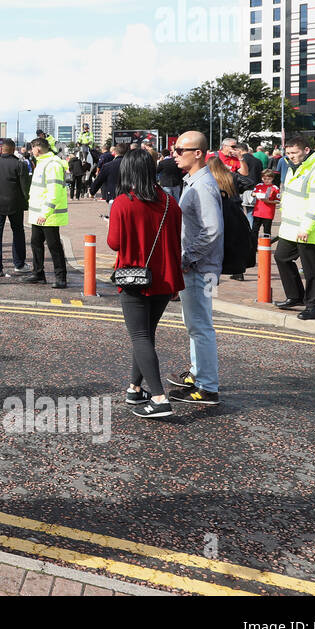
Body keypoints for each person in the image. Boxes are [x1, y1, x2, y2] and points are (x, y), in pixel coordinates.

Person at [108, 149, 183, 418]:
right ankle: (134, 388)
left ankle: (160, 398)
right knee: (146, 335)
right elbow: (176, 241)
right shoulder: (170, 202)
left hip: (134, 277)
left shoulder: (122, 203)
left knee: (140, 336)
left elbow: (114, 243)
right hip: (164, 277)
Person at [166, 131, 223, 405]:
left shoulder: (203, 186)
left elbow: (212, 230)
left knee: (201, 327)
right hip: (197, 266)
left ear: (198, 153)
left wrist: (186, 259)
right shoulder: (194, 181)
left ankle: (208, 387)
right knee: (195, 325)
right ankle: (198, 375)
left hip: (200, 268)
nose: (175, 154)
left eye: (180, 150)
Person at [273, 137, 315, 321]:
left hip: (309, 229)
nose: (291, 156)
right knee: (281, 258)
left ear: (306, 150)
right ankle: (295, 296)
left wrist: (307, 227)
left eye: (294, 153)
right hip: (292, 228)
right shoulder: (297, 167)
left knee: (312, 270)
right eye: (288, 153)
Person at [0, 139, 30, 277]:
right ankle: (19, 264)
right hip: (16, 202)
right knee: (18, 232)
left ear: (1, 149)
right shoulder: (19, 164)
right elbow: (24, 186)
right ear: (13, 149)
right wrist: (26, 200)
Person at [26, 138, 68, 288]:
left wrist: (46, 212)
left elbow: (54, 192)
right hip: (40, 213)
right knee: (36, 243)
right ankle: (38, 273)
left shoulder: (52, 164)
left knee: (54, 245)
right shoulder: (43, 163)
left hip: (48, 214)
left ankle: (61, 277)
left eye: (32, 149)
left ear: (37, 149)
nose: (31, 152)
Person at [250, 169, 280, 239]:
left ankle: (266, 247)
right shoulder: (259, 185)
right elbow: (252, 193)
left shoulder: (275, 188)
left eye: (269, 179)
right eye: (264, 178)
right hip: (257, 212)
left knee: (266, 230)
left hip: (268, 213)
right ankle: (254, 246)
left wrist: (268, 201)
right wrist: (257, 194)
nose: (266, 180)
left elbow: (277, 201)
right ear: (262, 178)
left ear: (272, 178)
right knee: (254, 230)